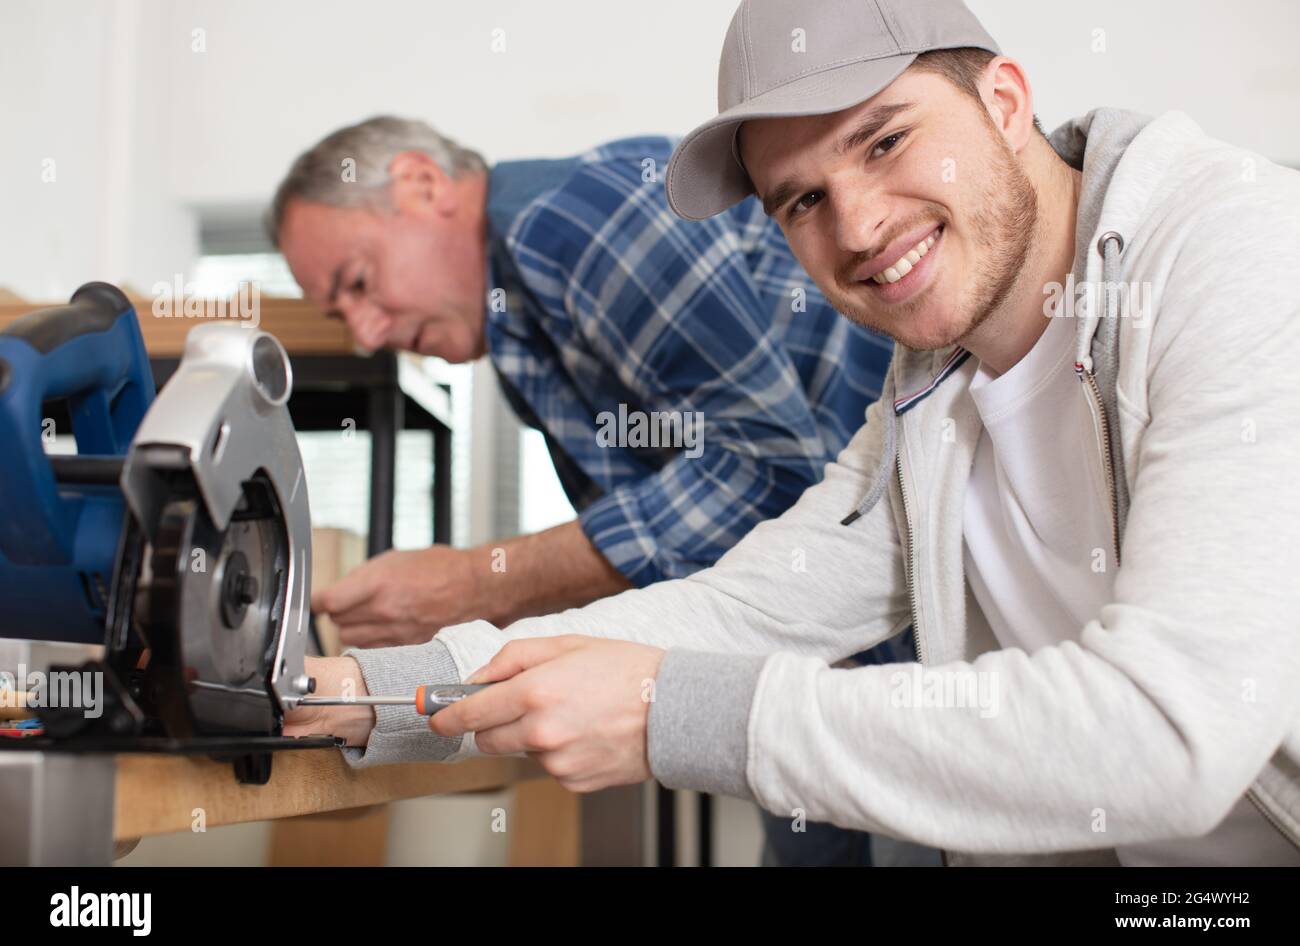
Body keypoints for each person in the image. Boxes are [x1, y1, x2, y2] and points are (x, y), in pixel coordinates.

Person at [288, 0, 1300, 864]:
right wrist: (377, 690)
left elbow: (1169, 731)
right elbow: (746, 609)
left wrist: (674, 712)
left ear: (1004, 100)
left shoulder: (1237, 251)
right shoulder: (927, 387)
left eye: (885, 140)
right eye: (803, 199)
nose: (855, 228)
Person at [269, 119, 913, 864]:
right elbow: (681, 565)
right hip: (812, 661)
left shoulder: (576, 219)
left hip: (906, 652)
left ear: (422, 184)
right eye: (340, 313)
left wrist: (477, 582)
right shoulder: (520, 333)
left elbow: (769, 476)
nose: (367, 335)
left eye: (358, 283)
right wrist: (396, 672)